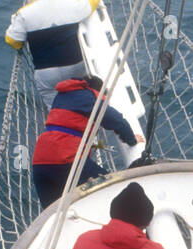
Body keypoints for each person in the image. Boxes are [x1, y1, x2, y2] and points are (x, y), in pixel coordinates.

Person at [31, 76, 140, 209]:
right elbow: (117, 121)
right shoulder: (90, 97)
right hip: (66, 158)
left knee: (53, 213)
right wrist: (132, 140)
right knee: (114, 189)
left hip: (39, 161)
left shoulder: (61, 96)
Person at [5, 0, 101, 105]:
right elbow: (90, 3)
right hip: (75, 64)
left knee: (54, 105)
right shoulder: (70, 2)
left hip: (45, 71)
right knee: (81, 98)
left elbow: (12, 40)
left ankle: (60, 122)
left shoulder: (24, 13)